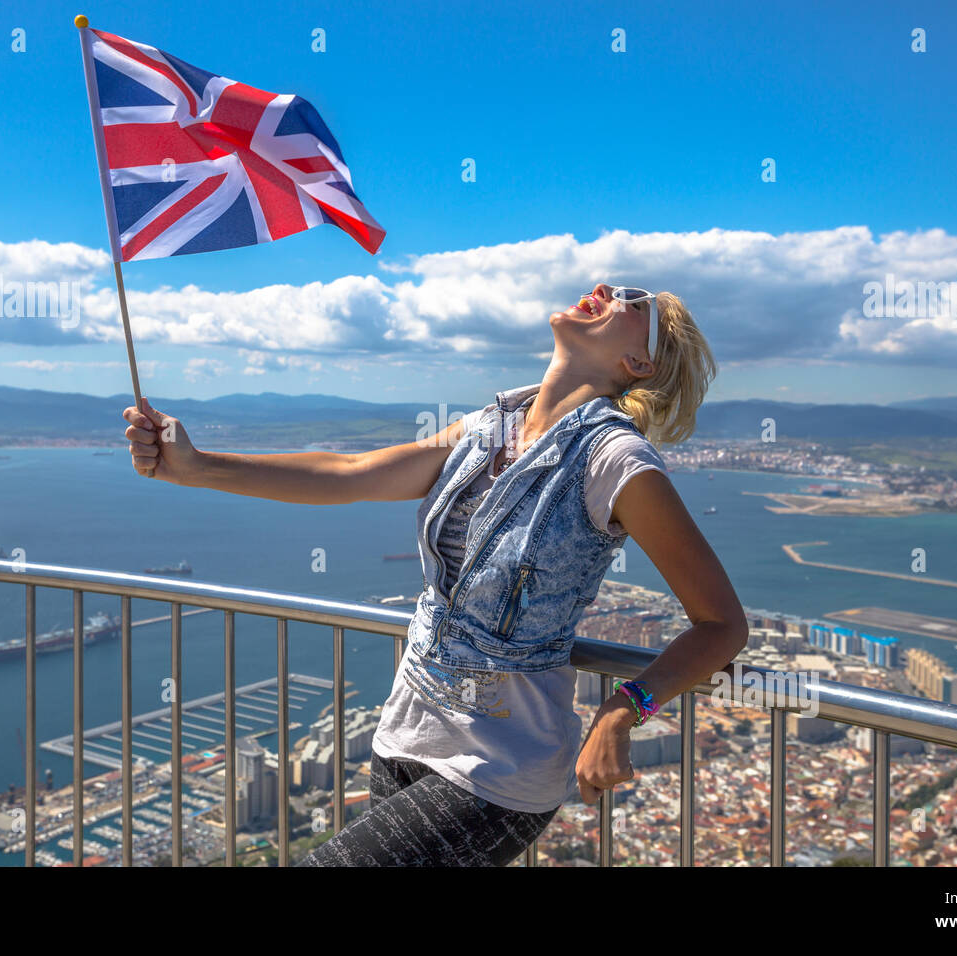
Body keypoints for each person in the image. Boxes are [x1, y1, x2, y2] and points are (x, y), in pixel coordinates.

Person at [122, 283, 749, 866]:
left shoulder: (617, 460)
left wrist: (623, 709)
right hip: (405, 733)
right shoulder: (490, 426)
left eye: (633, 300)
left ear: (639, 363)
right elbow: (352, 472)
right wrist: (196, 466)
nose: (608, 290)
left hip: (498, 771)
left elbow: (721, 624)